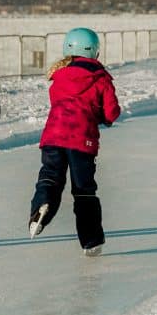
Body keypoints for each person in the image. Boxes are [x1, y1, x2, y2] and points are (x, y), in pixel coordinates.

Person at [27, 28, 122, 257]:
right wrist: (101, 116)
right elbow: (111, 112)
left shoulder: (60, 75)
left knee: (50, 175)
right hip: (82, 140)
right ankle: (91, 242)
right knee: (84, 191)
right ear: (95, 51)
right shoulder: (100, 78)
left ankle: (42, 207)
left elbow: (56, 101)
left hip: (53, 136)